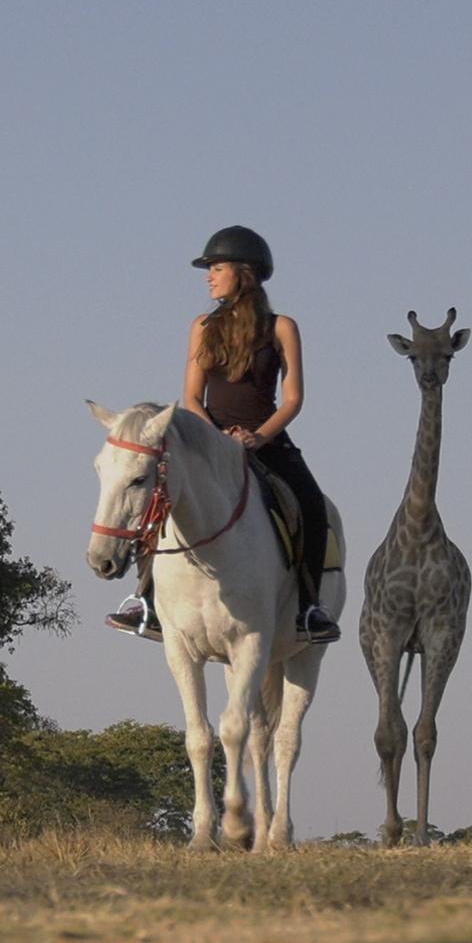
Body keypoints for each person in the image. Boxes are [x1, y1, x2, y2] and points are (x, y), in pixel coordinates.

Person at [105, 225, 340, 644]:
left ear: (244, 272)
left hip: (264, 438)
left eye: (216, 267)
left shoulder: (282, 327)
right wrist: (216, 438)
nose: (208, 276)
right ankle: (147, 600)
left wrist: (257, 439)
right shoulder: (202, 326)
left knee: (311, 505)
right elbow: (192, 397)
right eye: (208, 268)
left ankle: (308, 608)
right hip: (208, 438)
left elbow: (293, 399)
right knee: (159, 496)